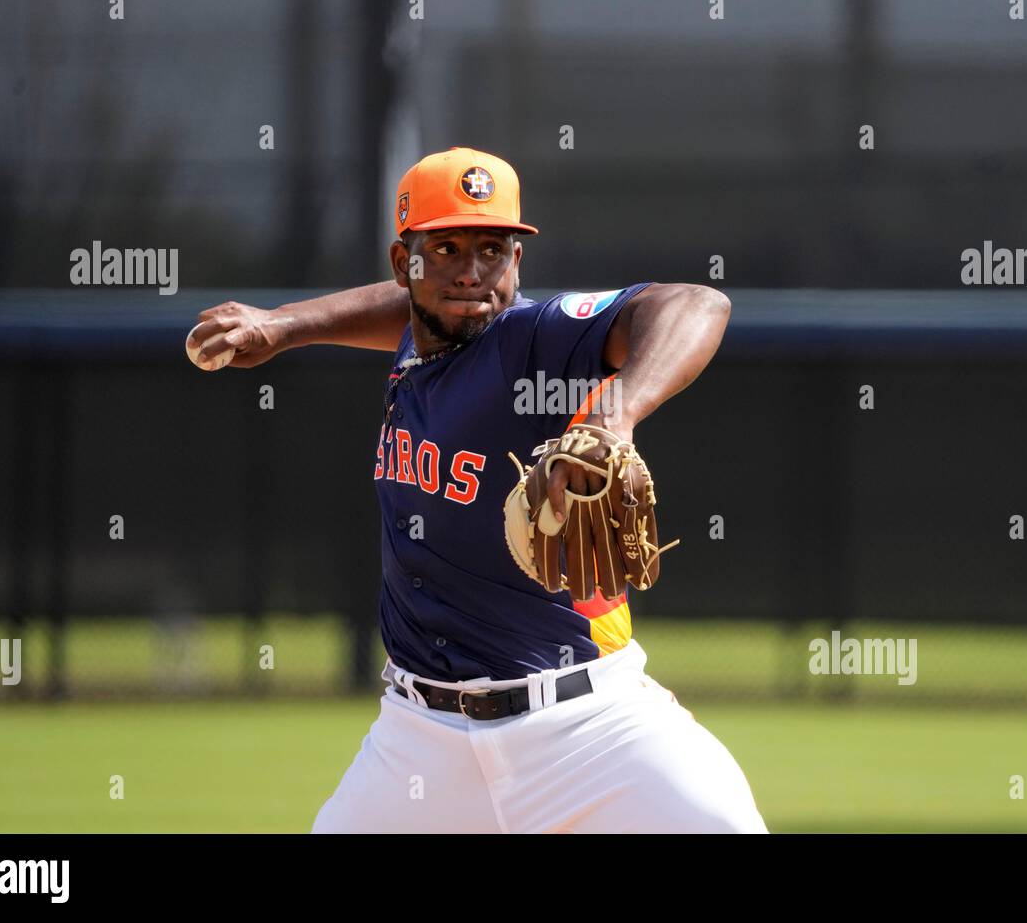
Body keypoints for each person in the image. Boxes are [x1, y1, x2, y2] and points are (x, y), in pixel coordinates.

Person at [190, 147, 767, 833]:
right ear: (404, 262)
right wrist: (287, 325)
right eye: (447, 249)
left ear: (516, 263)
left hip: (588, 729)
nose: (471, 273)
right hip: (418, 743)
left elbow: (696, 302)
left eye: (493, 250)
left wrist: (617, 415)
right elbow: (407, 312)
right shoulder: (419, 340)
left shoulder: (533, 341)